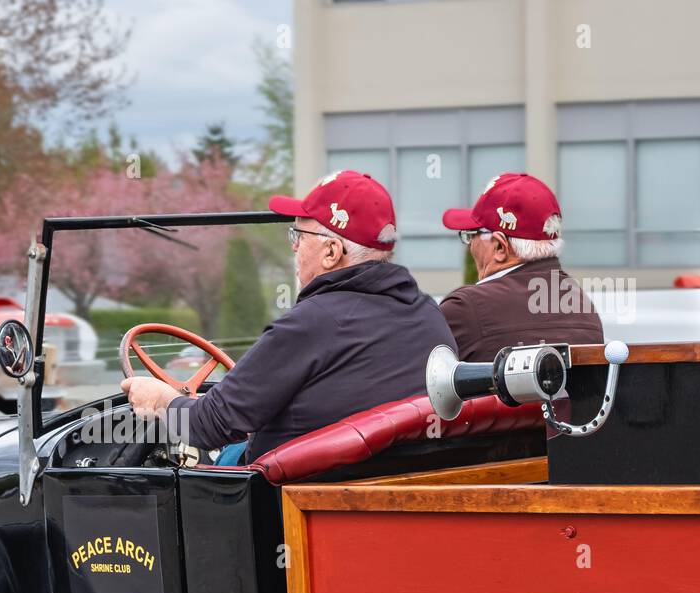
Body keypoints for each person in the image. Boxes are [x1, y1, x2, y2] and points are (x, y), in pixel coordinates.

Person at [120, 170, 456, 463]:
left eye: (299, 236)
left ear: (331, 252)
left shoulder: (312, 323)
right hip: (387, 489)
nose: (293, 247)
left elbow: (208, 426)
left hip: (293, 505)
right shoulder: (428, 314)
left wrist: (161, 398)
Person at [439, 173, 603, 362]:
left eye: (471, 235)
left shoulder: (464, 309)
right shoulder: (584, 307)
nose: (470, 246)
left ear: (500, 247)